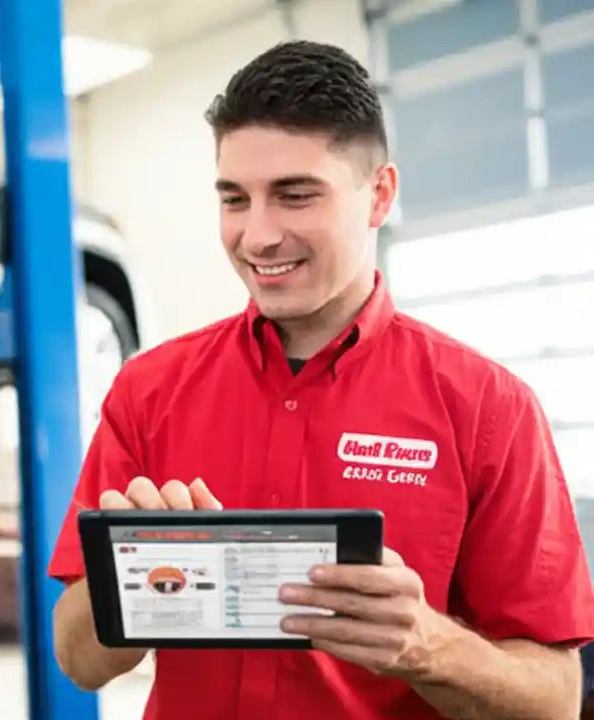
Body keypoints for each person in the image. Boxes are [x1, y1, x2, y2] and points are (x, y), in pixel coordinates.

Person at [49, 40, 594, 719]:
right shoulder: (148, 391)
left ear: (379, 195)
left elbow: (555, 701)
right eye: (234, 199)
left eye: (295, 196)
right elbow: (76, 661)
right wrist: (137, 574)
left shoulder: (489, 410)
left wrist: (424, 645)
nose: (257, 236)